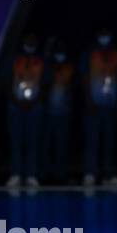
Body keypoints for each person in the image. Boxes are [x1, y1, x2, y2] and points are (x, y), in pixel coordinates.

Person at [83, 27, 117, 187]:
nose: (104, 37)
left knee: (109, 141)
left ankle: (109, 174)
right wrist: (88, 100)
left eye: (107, 34)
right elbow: (84, 76)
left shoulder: (116, 54)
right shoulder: (90, 53)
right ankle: (90, 174)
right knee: (92, 139)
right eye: (102, 34)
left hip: (110, 103)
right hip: (94, 103)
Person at [7, 32, 46, 191]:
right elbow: (5, 79)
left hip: (34, 106)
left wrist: (35, 101)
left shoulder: (41, 61)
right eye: (28, 39)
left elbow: (46, 82)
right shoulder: (15, 59)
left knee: (32, 139)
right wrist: (15, 100)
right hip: (15, 105)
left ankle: (31, 175)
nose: (30, 42)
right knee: (16, 140)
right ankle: (16, 174)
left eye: (33, 40)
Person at [45, 38, 75, 184]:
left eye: (62, 50)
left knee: (62, 146)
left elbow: (72, 88)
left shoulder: (69, 67)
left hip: (63, 112)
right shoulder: (47, 67)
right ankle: (44, 175)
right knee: (46, 145)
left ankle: (60, 175)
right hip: (48, 112)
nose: (60, 53)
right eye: (58, 50)